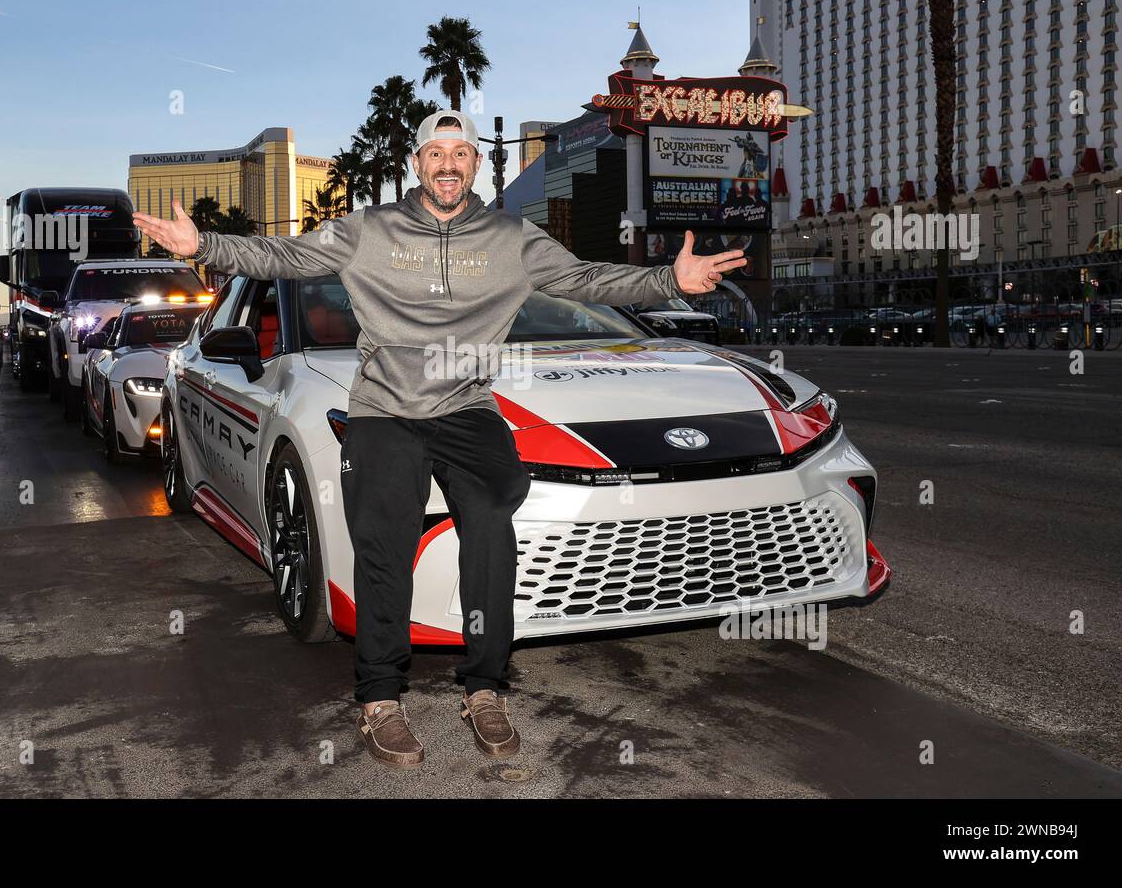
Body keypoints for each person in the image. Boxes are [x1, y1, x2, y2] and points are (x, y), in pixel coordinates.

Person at [133, 110, 745, 768]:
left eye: (461, 152)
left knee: (490, 526)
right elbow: (285, 256)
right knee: (385, 541)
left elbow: (587, 281)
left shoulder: (511, 238)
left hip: (466, 407)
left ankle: (484, 689)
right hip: (385, 409)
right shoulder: (370, 231)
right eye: (435, 153)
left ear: (476, 165)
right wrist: (205, 247)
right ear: (417, 165)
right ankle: (380, 699)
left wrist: (668, 281)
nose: (448, 163)